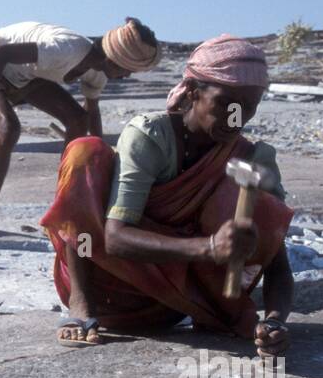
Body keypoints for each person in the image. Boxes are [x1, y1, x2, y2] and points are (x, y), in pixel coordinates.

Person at [39, 34, 294, 356]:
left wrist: (275, 322)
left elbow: (278, 266)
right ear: (192, 92)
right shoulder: (151, 136)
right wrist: (209, 247)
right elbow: (115, 239)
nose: (236, 119)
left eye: (249, 108)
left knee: (267, 208)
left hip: (178, 302)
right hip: (110, 290)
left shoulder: (252, 157)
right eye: (226, 104)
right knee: (84, 152)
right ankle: (80, 306)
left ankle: (220, 311)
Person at [0, 18, 160, 238]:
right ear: (114, 60)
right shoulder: (64, 49)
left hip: (27, 76)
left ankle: (62, 204)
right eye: (128, 70)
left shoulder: (97, 75)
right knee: (9, 127)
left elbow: (91, 116)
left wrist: (102, 162)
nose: (127, 77)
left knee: (77, 119)